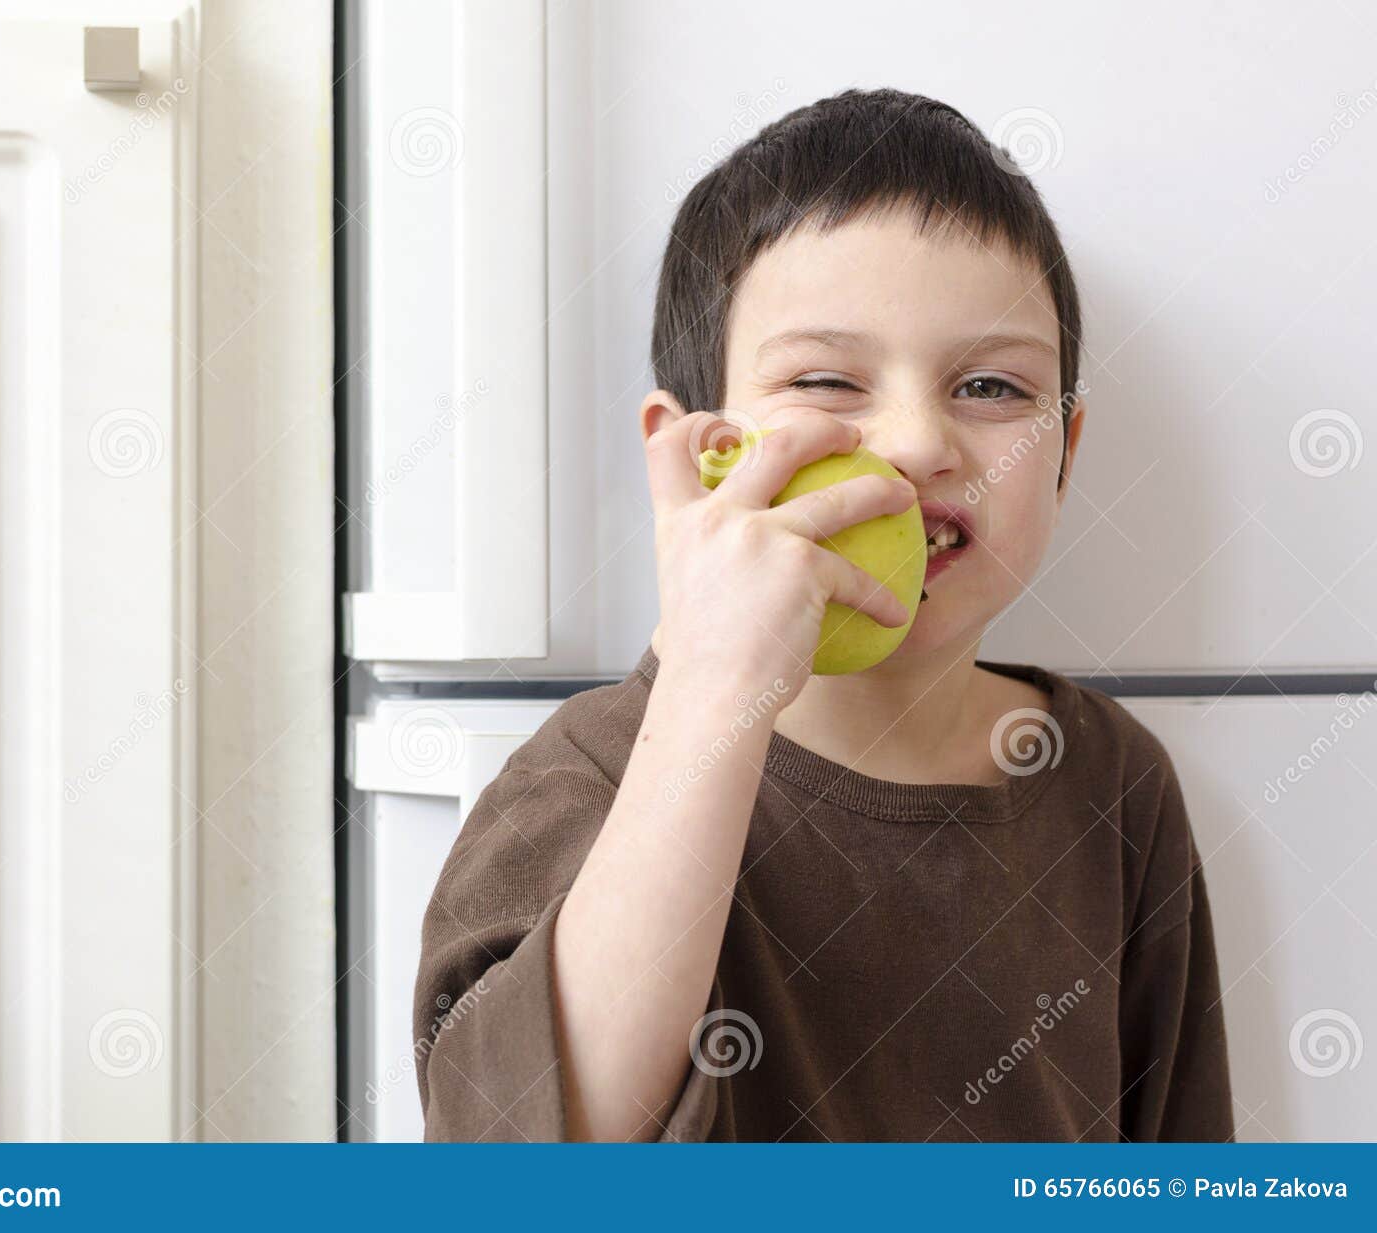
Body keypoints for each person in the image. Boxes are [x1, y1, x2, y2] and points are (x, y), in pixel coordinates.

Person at [412, 87, 1234, 1143]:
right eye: (826, 380)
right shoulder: (588, 776)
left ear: (1063, 455)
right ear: (698, 460)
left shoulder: (1114, 782)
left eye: (990, 387)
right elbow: (528, 1159)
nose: (916, 444)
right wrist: (715, 686)